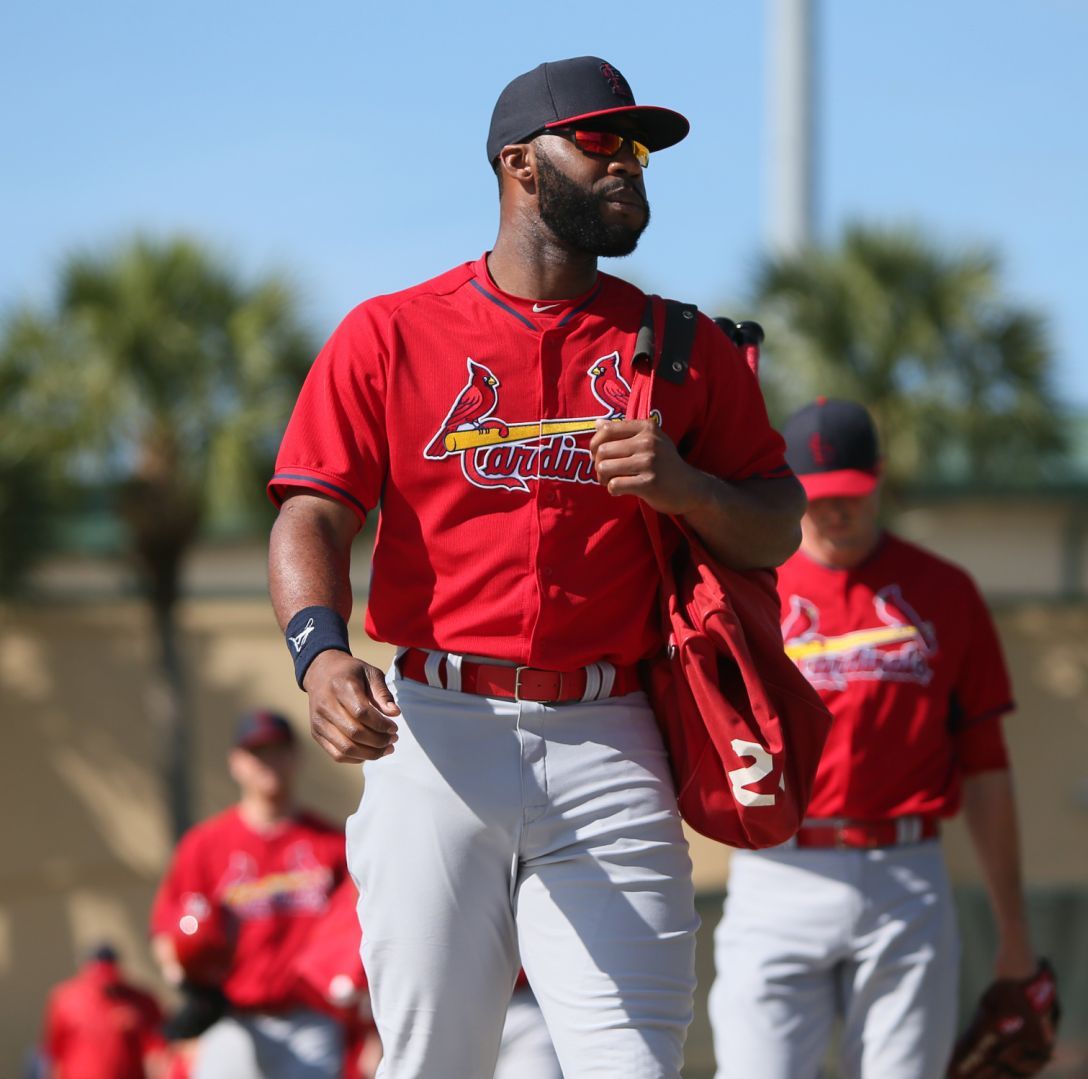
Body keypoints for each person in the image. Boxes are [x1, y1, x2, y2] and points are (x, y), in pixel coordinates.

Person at [266, 54, 805, 1079]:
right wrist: (319, 655)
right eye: (601, 142)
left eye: (639, 148)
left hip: (613, 732)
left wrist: (688, 485)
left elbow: (777, 523)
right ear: (520, 162)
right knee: (434, 1061)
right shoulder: (389, 333)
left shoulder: (685, 347)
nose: (629, 166)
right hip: (433, 733)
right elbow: (313, 514)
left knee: (632, 1062)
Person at [708, 397, 1040, 1079]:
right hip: (779, 869)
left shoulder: (944, 591)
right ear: (789, 488)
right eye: (819, 495)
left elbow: (986, 766)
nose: (836, 511)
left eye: (851, 494)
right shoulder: (750, 589)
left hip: (904, 871)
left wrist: (1013, 927)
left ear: (879, 478)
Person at [150, 709, 348, 1078]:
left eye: (277, 750)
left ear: (296, 756)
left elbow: (354, 936)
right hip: (232, 1020)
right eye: (257, 752)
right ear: (236, 763)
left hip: (311, 1019)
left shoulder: (333, 845)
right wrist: (188, 982)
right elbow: (167, 932)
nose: (268, 762)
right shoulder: (205, 845)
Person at [40, 943, 166, 1079]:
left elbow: (160, 1049)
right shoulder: (65, 999)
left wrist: (139, 1025)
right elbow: (54, 1052)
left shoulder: (141, 1001)